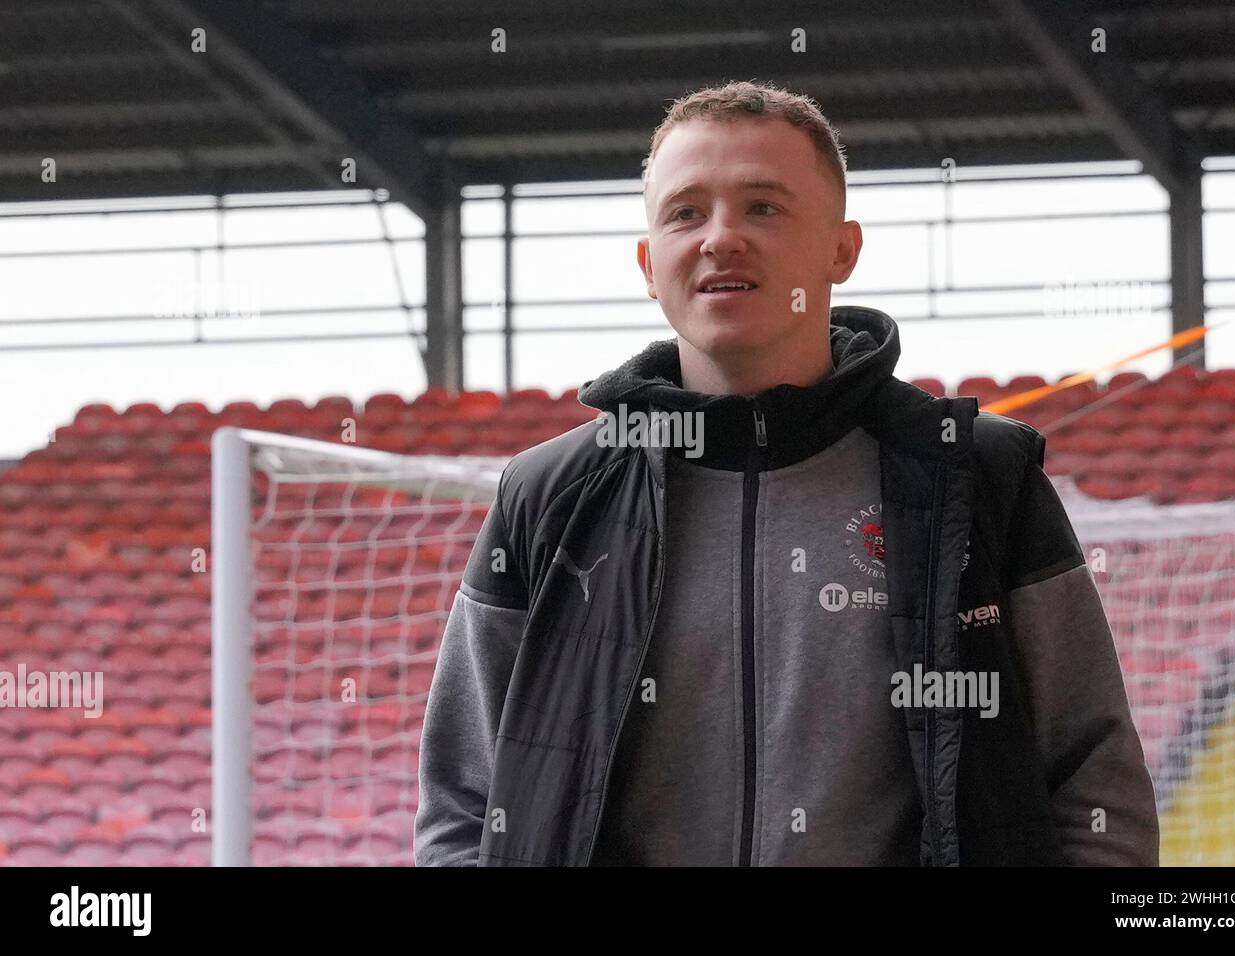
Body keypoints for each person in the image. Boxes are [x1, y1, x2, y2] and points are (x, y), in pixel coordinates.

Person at [414, 80, 1160, 867]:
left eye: (762, 207)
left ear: (842, 247)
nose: (720, 238)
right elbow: (466, 807)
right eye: (685, 212)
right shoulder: (549, 497)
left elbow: (1094, 785)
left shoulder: (977, 477)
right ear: (647, 261)